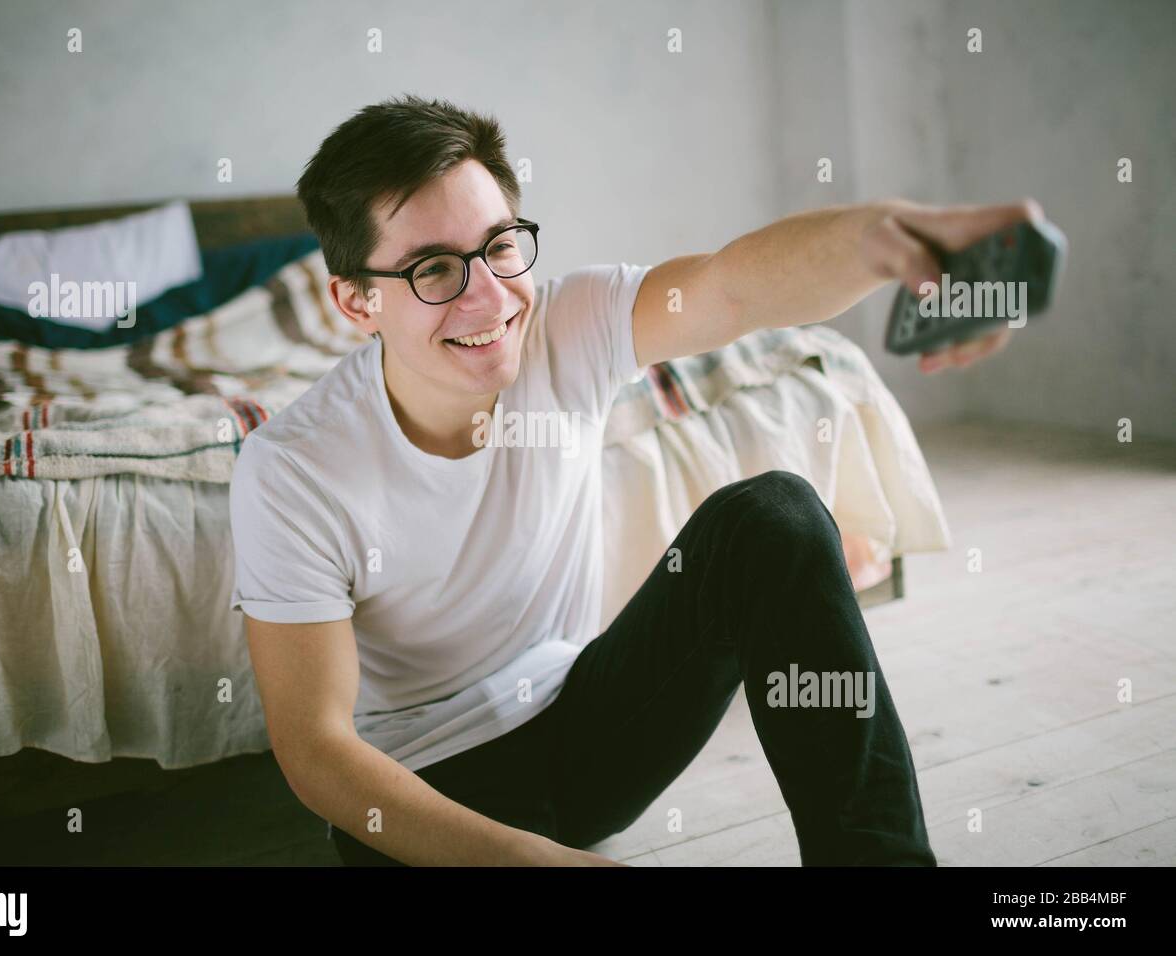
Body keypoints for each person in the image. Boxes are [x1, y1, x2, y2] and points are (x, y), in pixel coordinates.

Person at [230, 93, 1041, 866]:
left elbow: (731, 284)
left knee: (774, 515)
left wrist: (886, 238)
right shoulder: (294, 468)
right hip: (421, 797)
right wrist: (531, 860)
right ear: (355, 302)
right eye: (434, 270)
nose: (488, 297)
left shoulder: (567, 326)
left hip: (587, 730)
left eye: (500, 246)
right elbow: (317, 752)